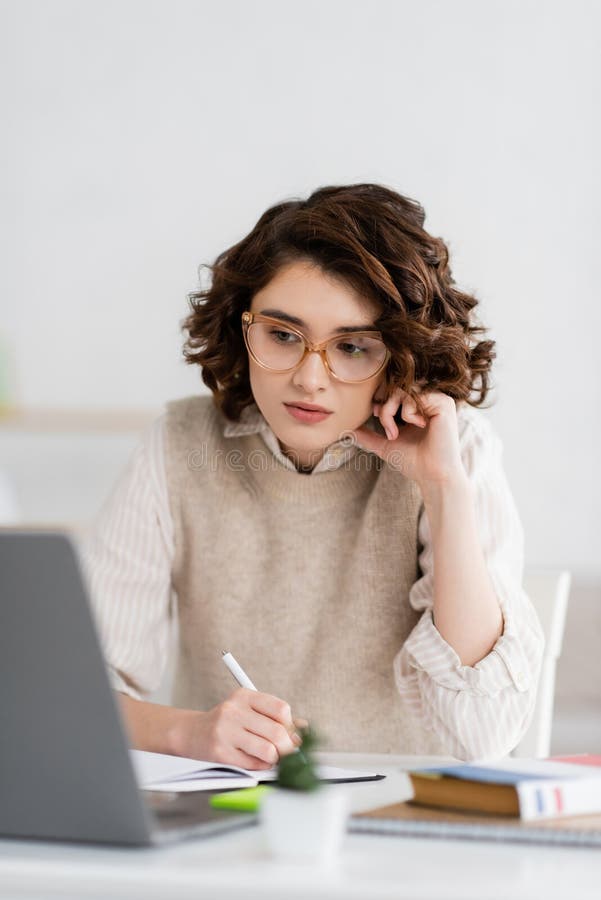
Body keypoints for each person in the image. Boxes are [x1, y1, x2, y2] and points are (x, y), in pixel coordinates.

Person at [81, 183, 544, 768]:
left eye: (352, 347)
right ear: (241, 329)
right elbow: (77, 691)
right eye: (282, 335)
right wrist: (190, 734)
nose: (309, 379)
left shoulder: (457, 450)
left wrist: (444, 489)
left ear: (400, 357)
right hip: (229, 821)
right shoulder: (177, 446)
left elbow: (486, 732)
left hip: (403, 825)